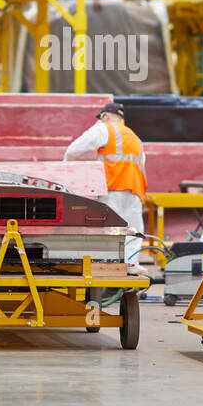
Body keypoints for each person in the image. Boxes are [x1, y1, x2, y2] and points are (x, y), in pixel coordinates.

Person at [63, 102, 148, 276]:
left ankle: (106, 268)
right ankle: (130, 264)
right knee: (133, 231)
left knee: (109, 231)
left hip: (112, 187)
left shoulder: (104, 128)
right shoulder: (134, 137)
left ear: (105, 116)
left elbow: (75, 149)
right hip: (134, 190)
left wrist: (66, 167)